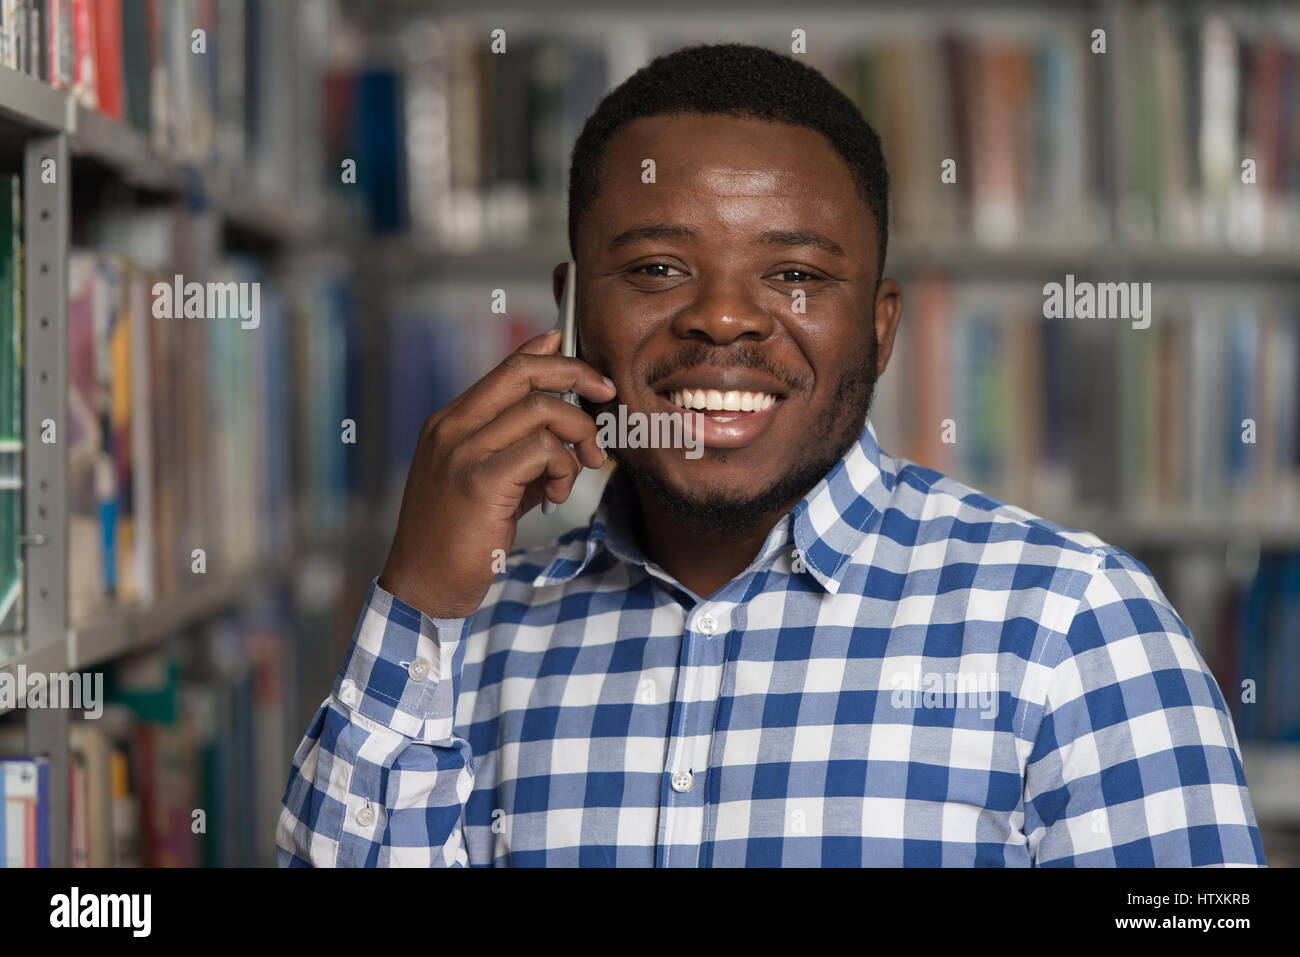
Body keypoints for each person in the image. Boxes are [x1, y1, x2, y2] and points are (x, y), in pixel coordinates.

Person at [277, 43, 1264, 867]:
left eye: (794, 274)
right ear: (571, 312)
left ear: (879, 331)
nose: (721, 317)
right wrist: (416, 601)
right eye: (658, 268)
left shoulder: (1075, 631)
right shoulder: (464, 637)